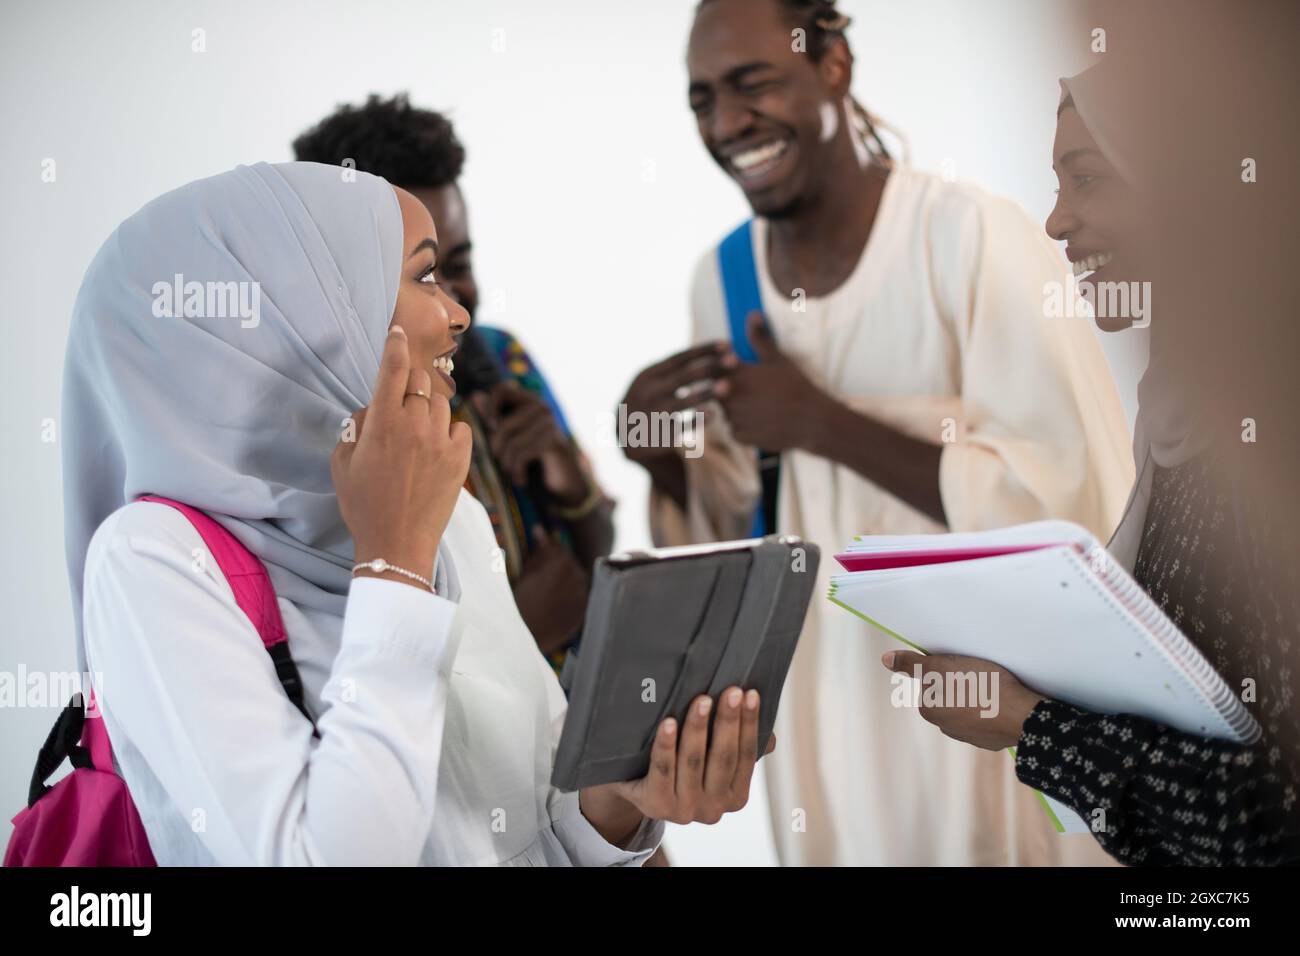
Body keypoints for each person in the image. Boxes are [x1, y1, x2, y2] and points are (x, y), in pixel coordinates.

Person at [61, 161, 769, 865]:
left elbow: (539, 824)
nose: (459, 314)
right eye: (424, 275)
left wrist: (624, 799)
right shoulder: (150, 558)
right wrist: (392, 560)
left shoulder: (446, 508)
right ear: (308, 315)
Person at [621, 0, 1134, 865]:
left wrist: (823, 422)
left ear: (834, 66)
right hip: (828, 705)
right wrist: (662, 462)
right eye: (702, 100)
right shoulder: (724, 279)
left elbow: (1074, 509)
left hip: (981, 714)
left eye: (753, 84)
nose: (727, 121)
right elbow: (752, 530)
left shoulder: (969, 235)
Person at [884, 28, 1300, 866]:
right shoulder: (1186, 413)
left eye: (1088, 177)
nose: (1055, 218)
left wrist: (1029, 723)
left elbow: (1274, 825)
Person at [293, 96, 609, 672]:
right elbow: (370, 671)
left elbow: (601, 555)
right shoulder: (345, 427)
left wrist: (568, 483)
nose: (458, 302)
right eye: (427, 273)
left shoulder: (500, 357)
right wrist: (527, 632)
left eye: (462, 263)